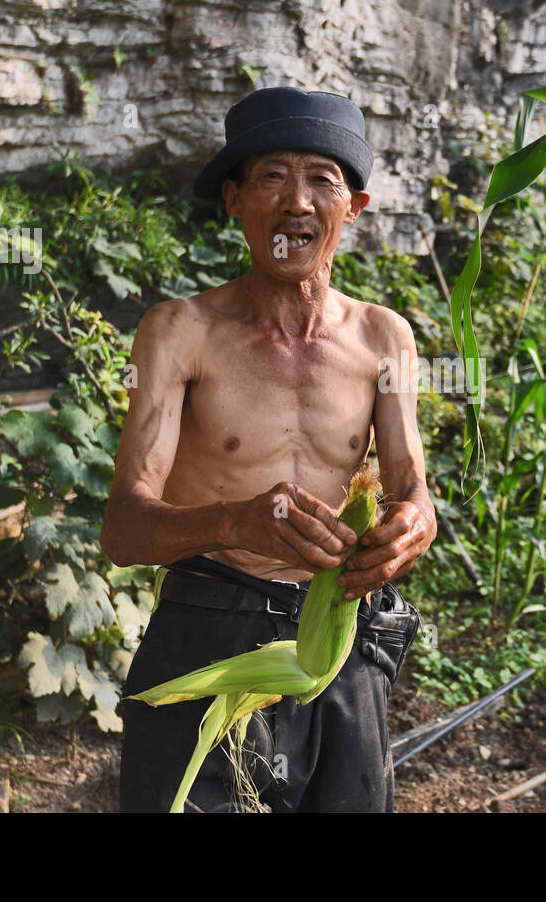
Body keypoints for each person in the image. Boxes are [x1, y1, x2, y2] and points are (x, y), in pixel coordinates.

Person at [102, 86, 436, 812]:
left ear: (354, 208)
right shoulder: (179, 331)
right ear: (234, 199)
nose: (297, 202)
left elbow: (413, 486)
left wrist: (413, 525)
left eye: (323, 179)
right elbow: (124, 529)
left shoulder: (387, 339)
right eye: (273, 177)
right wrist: (229, 523)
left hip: (340, 636)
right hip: (207, 628)